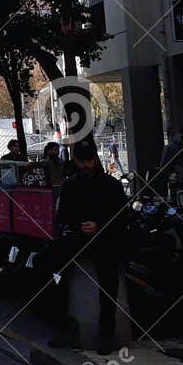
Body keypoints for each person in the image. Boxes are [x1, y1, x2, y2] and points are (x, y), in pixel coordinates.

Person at [52, 139, 129, 353]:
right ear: (76, 161)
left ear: (95, 159)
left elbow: (121, 217)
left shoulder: (111, 185)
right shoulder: (70, 185)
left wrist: (99, 226)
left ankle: (106, 332)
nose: (86, 165)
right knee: (56, 272)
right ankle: (63, 325)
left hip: (104, 239)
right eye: (82, 161)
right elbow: (61, 217)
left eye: (90, 160)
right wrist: (78, 226)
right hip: (77, 238)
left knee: (108, 278)